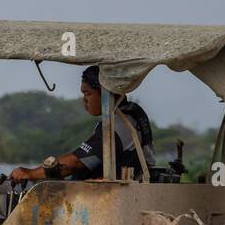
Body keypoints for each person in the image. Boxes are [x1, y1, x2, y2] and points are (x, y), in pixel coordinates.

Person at [9, 65, 156, 182]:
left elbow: (76, 162)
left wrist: (31, 173)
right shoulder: (128, 115)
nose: (84, 100)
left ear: (108, 93)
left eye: (88, 93)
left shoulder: (118, 126)